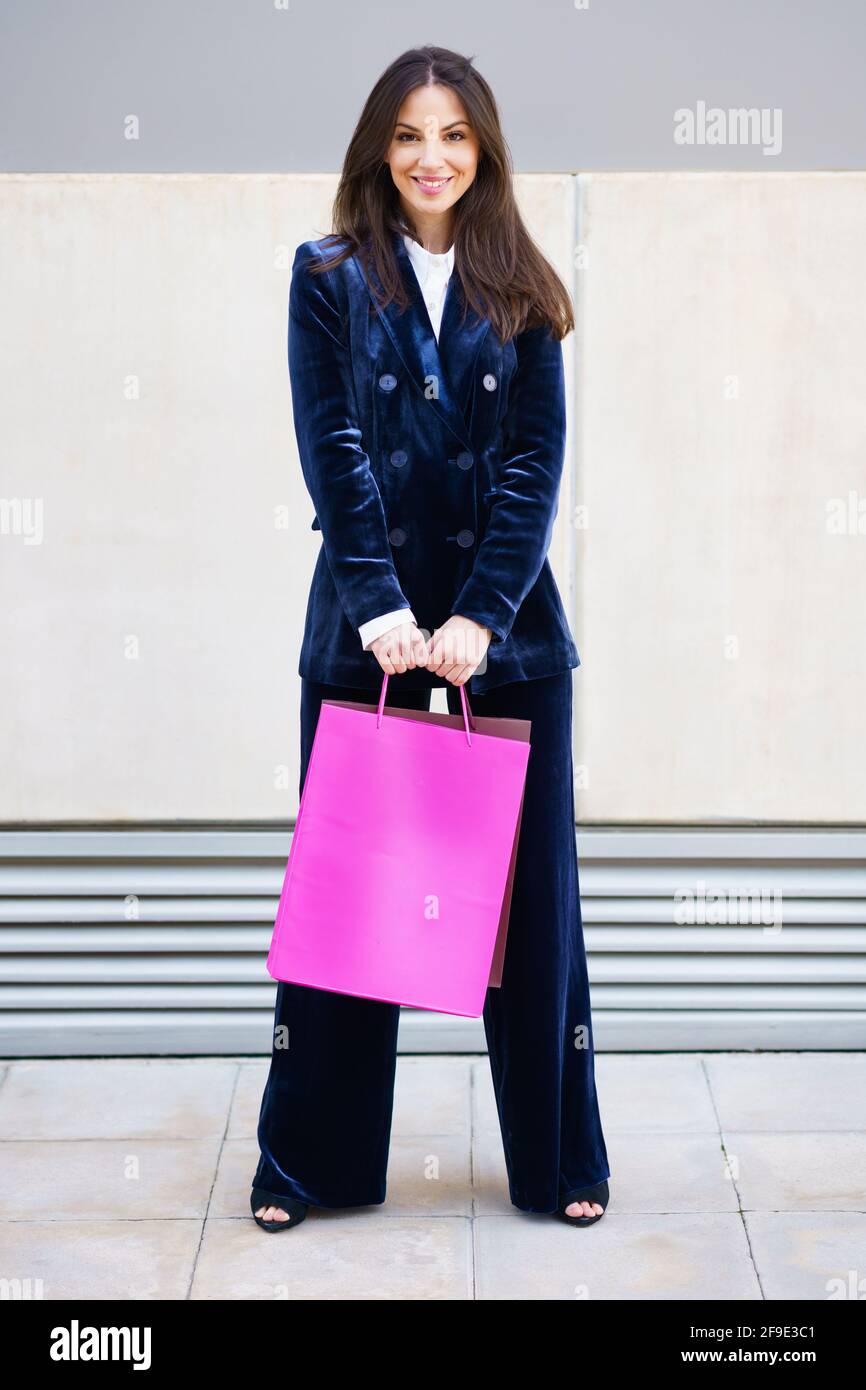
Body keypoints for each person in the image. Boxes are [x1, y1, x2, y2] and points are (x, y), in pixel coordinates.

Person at [251, 44, 611, 1233]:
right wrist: (385, 611)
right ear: (378, 147)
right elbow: (333, 449)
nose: (430, 156)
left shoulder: (525, 291)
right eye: (409, 134)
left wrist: (476, 617)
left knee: (531, 919)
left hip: (506, 651)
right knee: (351, 909)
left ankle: (560, 1159)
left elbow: (531, 469)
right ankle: (310, 1166)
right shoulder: (328, 275)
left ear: (483, 149)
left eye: (453, 134)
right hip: (367, 643)